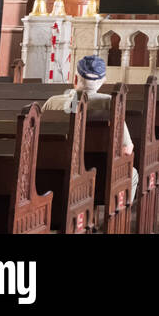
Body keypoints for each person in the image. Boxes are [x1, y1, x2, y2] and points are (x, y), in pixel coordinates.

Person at [41, 54, 138, 206]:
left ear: (75, 78)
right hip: (100, 177)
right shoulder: (110, 104)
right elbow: (126, 149)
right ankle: (117, 219)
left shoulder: (52, 102)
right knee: (132, 174)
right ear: (103, 81)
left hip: (53, 174)